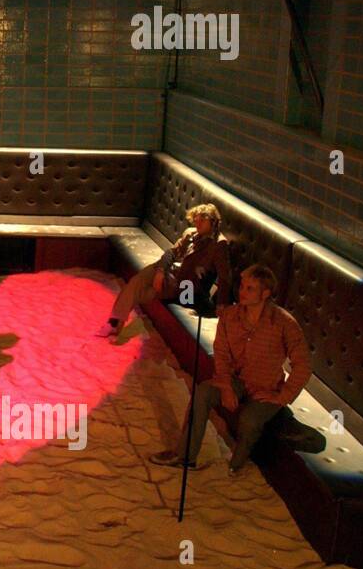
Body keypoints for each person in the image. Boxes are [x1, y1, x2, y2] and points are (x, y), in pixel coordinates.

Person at [151, 264, 313, 474]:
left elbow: (303, 365)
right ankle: (185, 456)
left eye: (250, 289)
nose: (242, 292)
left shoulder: (284, 323)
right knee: (203, 393)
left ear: (265, 293)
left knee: (249, 420)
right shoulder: (229, 316)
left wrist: (282, 396)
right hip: (236, 381)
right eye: (242, 286)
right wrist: (226, 387)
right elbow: (221, 355)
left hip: (266, 387)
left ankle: (237, 465)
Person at [97, 202, 232, 339]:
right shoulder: (191, 233)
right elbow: (171, 253)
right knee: (137, 280)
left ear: (213, 221)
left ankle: (114, 323)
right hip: (171, 273)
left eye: (202, 220)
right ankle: (114, 323)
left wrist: (221, 305)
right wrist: (161, 271)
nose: (197, 224)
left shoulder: (219, 244)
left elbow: (224, 277)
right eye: (196, 220)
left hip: (188, 288)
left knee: (140, 291)